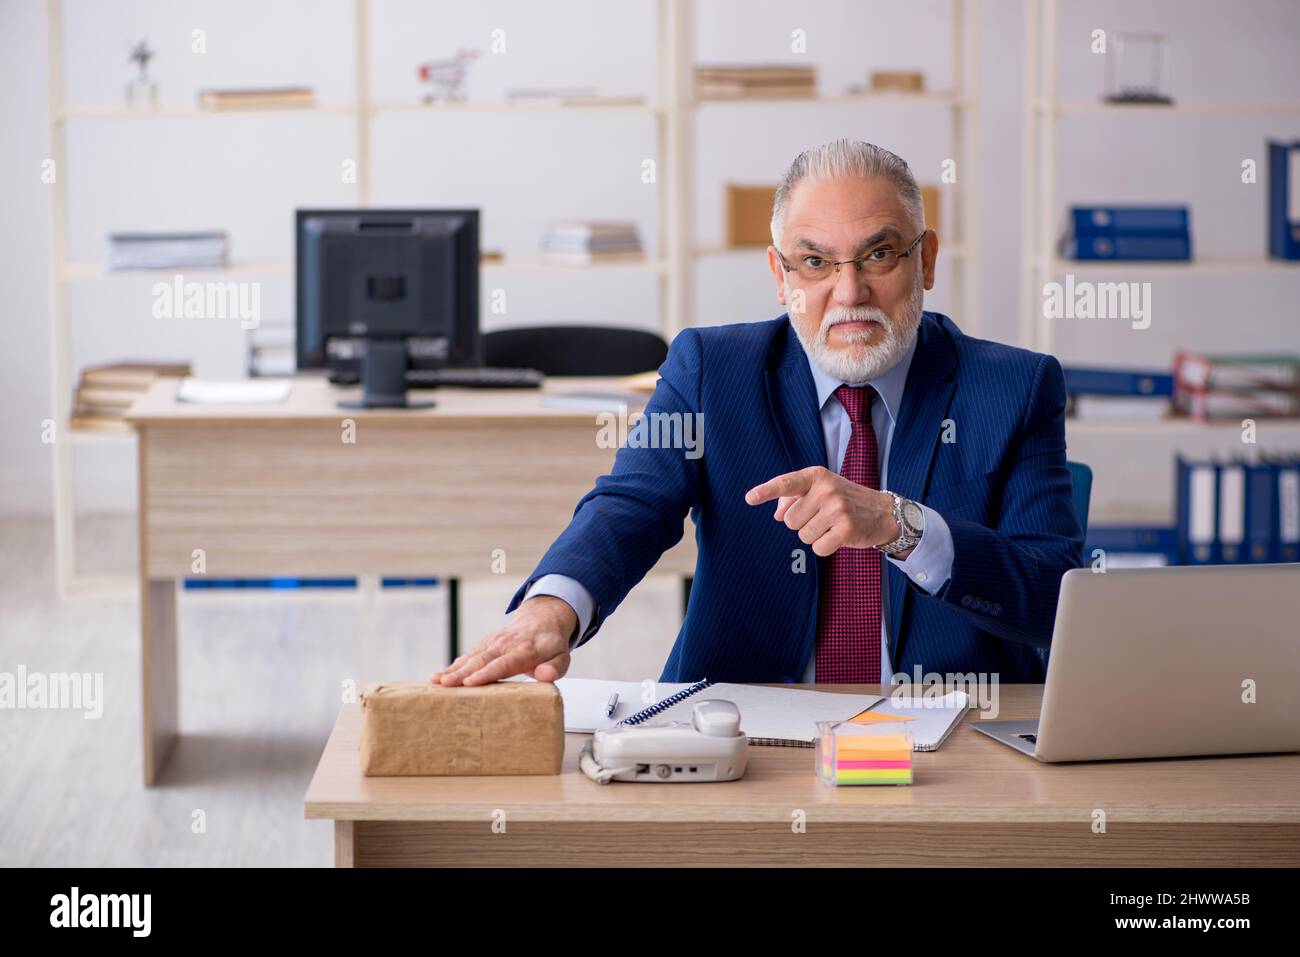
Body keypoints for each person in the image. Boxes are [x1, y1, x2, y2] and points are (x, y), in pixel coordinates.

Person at [432, 138, 1083, 688]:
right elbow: (632, 504)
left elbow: (1054, 597)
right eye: (815, 262)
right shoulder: (714, 370)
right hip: (742, 719)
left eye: (879, 255)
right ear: (780, 276)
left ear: (927, 259)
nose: (849, 291)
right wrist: (554, 605)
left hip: (955, 735)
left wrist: (900, 524)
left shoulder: (1016, 386)